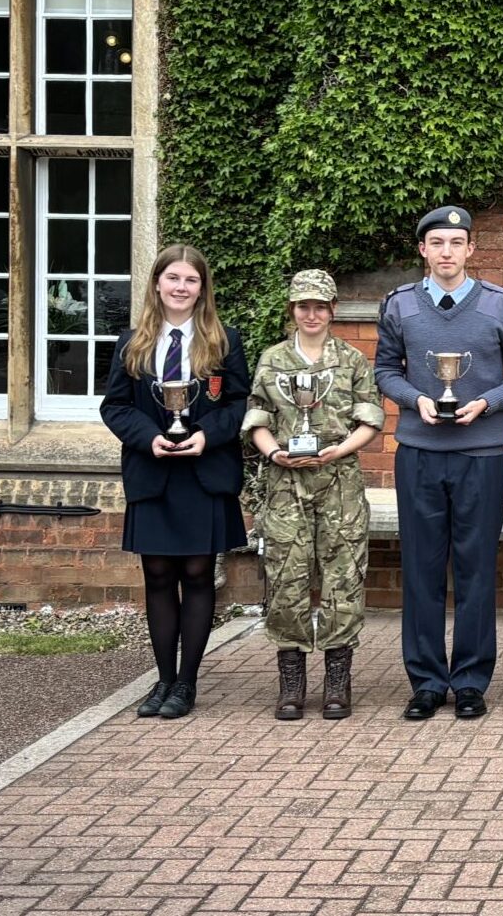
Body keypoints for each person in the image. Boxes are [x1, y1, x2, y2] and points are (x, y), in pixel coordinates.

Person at [374, 205, 503, 721]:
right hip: (419, 451)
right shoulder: (399, 306)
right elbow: (384, 370)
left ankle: (469, 681)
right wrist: (414, 398)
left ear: (470, 249)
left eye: (456, 243)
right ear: (423, 250)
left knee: (476, 568)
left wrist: (485, 403)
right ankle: (425, 681)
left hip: (481, 454)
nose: (447, 252)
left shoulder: (500, 306)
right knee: (420, 569)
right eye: (436, 243)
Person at [102, 244, 252, 720]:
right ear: (157, 285)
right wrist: (149, 439)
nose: (181, 287)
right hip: (155, 472)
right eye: (173, 279)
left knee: (196, 574)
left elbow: (239, 404)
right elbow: (116, 407)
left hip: (203, 474)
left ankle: (186, 684)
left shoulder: (224, 341)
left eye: (191, 280)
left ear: (202, 288)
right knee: (159, 575)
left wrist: (209, 435)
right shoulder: (134, 343)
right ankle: (161, 680)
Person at [242, 268, 385, 720]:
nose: (311, 314)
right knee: (287, 580)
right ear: (292, 310)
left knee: (343, 579)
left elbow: (370, 419)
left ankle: (338, 683)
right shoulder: (273, 360)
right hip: (286, 486)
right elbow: (257, 418)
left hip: (339, 484)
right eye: (303, 306)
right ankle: (291, 683)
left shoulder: (351, 361)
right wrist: (275, 454)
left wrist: (338, 450)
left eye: (319, 306)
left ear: (332, 310)